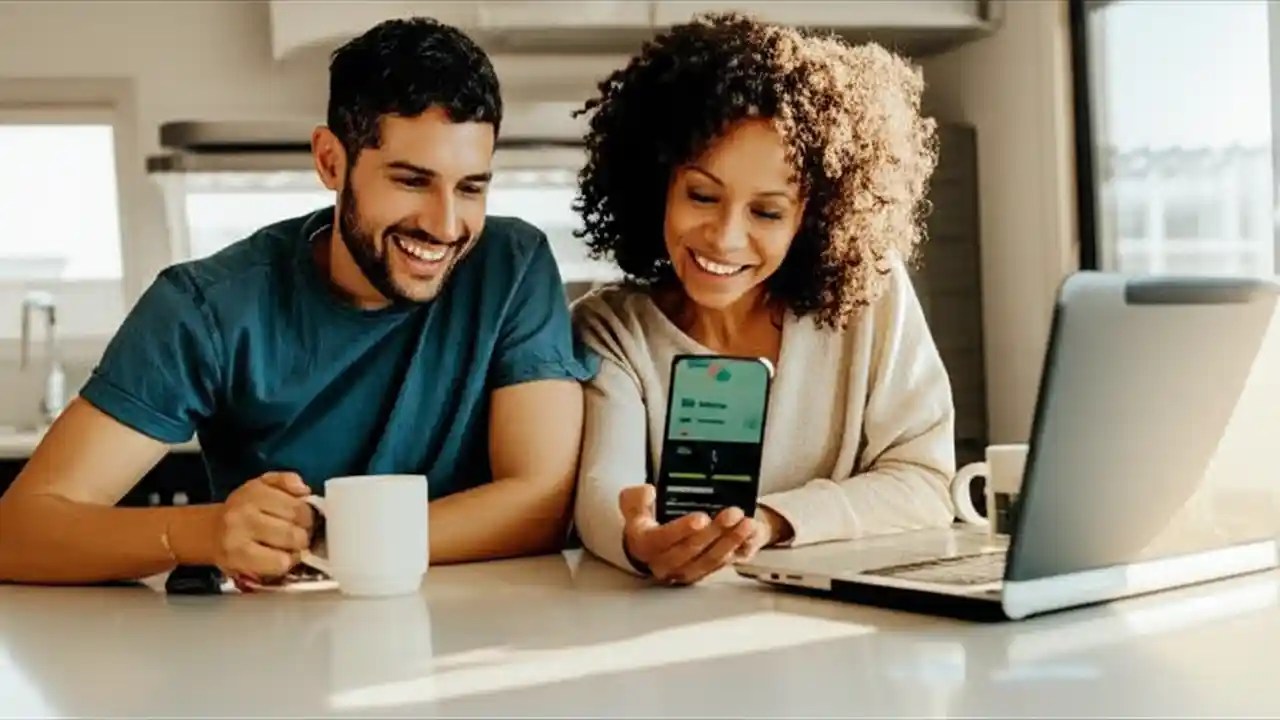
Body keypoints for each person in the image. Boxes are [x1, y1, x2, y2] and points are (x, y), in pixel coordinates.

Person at [0, 17, 597, 586]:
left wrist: (327, 537)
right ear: (331, 161)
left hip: (485, 631)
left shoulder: (512, 267)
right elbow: (18, 531)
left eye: (470, 188)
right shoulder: (206, 309)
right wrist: (205, 532)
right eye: (412, 181)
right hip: (288, 635)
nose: (445, 225)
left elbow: (541, 503)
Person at [570, 12, 957, 585]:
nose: (725, 238)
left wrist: (770, 522)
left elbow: (925, 481)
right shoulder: (611, 328)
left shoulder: (870, 296)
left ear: (812, 217)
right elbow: (604, 486)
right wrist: (638, 540)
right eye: (702, 196)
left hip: (838, 624)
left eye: (767, 212)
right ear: (658, 184)